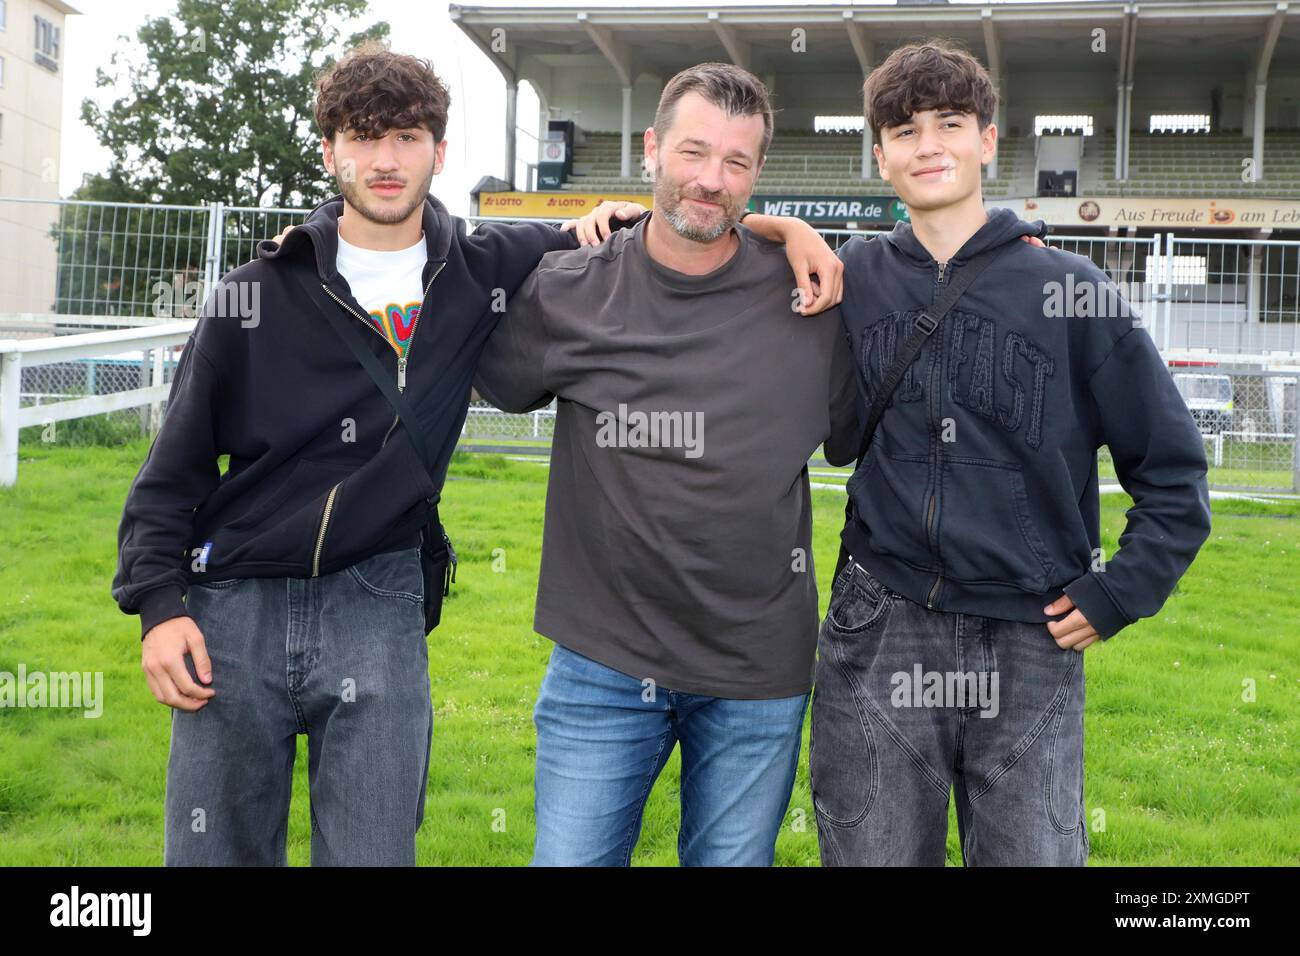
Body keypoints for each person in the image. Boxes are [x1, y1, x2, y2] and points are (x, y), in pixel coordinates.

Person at [111, 44, 841, 866]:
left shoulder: (483, 268)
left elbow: (679, 217)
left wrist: (787, 226)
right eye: (362, 138)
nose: (385, 161)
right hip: (233, 604)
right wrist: (159, 605)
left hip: (378, 596)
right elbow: (170, 468)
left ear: (439, 153)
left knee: (373, 852)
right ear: (330, 152)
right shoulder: (256, 291)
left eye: (407, 138)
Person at [808, 40, 1212, 866]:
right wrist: (772, 227)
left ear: (988, 140)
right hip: (882, 618)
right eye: (904, 129)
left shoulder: (1071, 289)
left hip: (1032, 632)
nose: (929, 145)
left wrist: (1121, 592)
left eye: (950, 124)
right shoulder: (854, 278)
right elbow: (707, 233)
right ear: (879, 154)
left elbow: (1172, 470)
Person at [473, 62, 862, 867]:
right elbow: (480, 352)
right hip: (600, 663)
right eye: (692, 153)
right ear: (651, 149)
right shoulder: (572, 286)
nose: (710, 181)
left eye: (736, 163)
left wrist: (788, 230)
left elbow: (929, 273)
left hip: (757, 673)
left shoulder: (814, 302)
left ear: (759, 173)